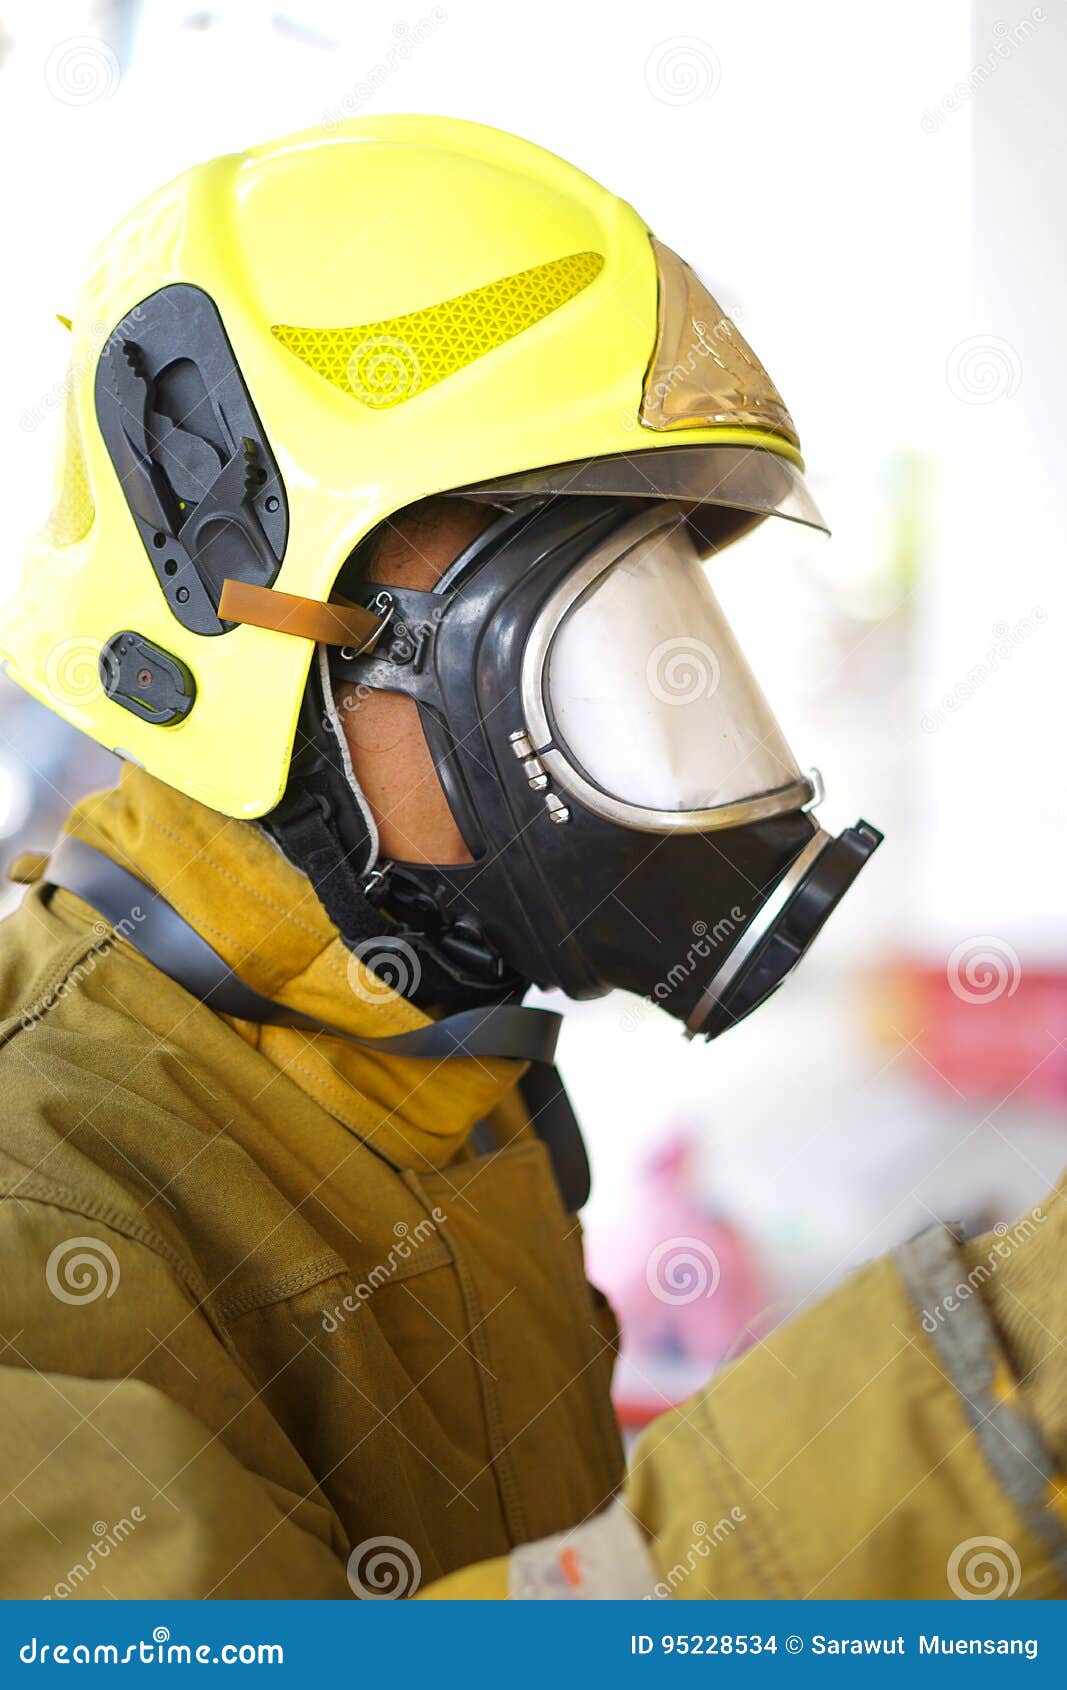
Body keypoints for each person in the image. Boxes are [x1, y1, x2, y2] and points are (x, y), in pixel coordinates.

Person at [0, 114, 1061, 1602]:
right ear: (245, 618)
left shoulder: (426, 1073)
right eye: (581, 637)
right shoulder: (41, 1213)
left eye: (668, 627)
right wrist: (991, 1412)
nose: (660, 736)